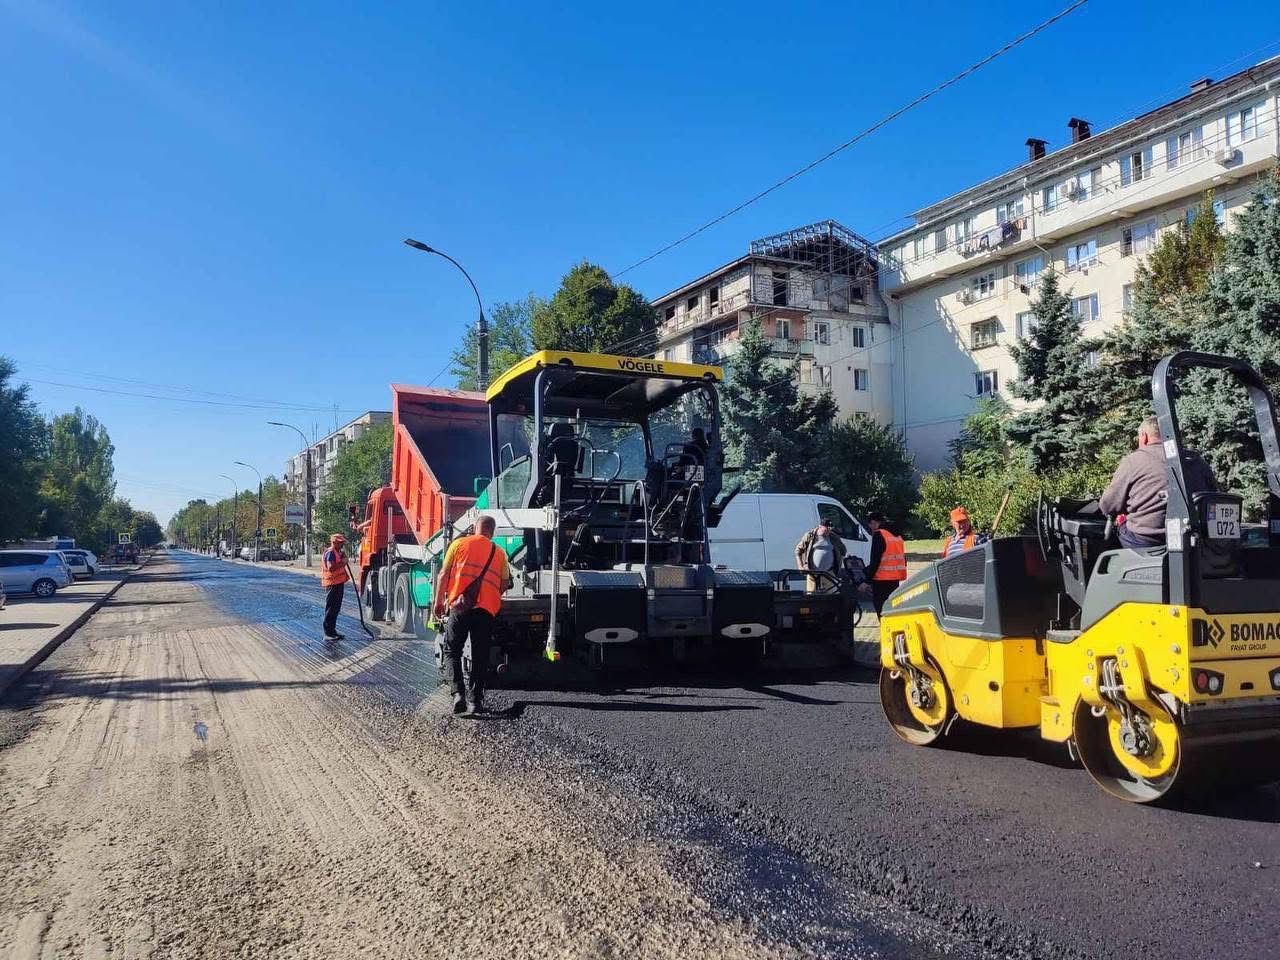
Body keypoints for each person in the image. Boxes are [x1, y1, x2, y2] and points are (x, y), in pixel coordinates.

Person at [433, 515, 513, 715]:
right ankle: (475, 702)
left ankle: (458, 693)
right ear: (492, 532)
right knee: (480, 656)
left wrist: (438, 601)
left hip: (460, 606)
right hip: (485, 610)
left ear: (474, 528)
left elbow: (444, 573)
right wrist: (489, 595)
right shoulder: (499, 552)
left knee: (452, 651)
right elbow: (504, 583)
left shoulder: (458, 543)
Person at [1100, 414, 1217, 549]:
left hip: (1146, 540)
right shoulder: (1196, 460)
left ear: (1144, 436)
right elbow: (1213, 494)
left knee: (1115, 532)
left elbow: (1108, 506)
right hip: (1192, 540)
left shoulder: (1134, 460)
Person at [865, 513, 907, 615]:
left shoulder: (879, 534)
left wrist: (867, 580)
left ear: (874, 523)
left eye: (870, 526)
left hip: (881, 580)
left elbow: (876, 560)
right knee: (893, 610)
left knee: (882, 611)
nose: (870, 529)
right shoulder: (897, 535)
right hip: (895, 578)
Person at [794, 515, 847, 593]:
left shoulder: (834, 537)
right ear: (820, 526)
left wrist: (837, 564)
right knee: (811, 596)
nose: (828, 531)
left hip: (828, 573)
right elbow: (798, 551)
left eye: (830, 529)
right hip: (812, 572)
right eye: (826, 529)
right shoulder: (810, 536)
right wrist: (801, 566)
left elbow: (843, 551)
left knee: (830, 596)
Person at [320, 533, 349, 640]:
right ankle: (328, 633)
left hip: (338, 583)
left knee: (336, 608)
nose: (342, 544)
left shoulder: (337, 552)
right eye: (340, 543)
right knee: (331, 609)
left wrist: (343, 557)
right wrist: (343, 562)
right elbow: (331, 567)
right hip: (332, 584)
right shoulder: (330, 553)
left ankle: (332, 631)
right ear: (334, 542)